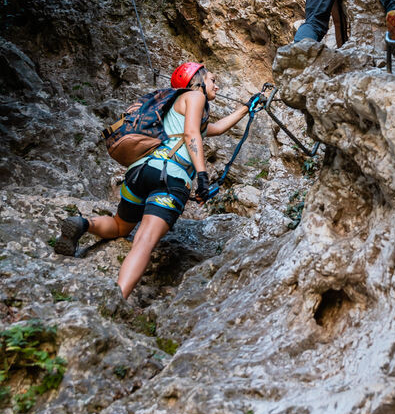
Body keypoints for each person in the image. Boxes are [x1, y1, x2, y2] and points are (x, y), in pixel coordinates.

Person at [53, 63, 258, 298]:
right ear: (197, 81)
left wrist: (247, 107)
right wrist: (202, 176)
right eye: (213, 79)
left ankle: (83, 224)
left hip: (140, 172)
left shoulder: (173, 109)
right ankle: (117, 298)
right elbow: (192, 134)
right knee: (144, 240)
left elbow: (216, 128)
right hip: (170, 177)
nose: (217, 85)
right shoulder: (194, 96)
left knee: (121, 226)